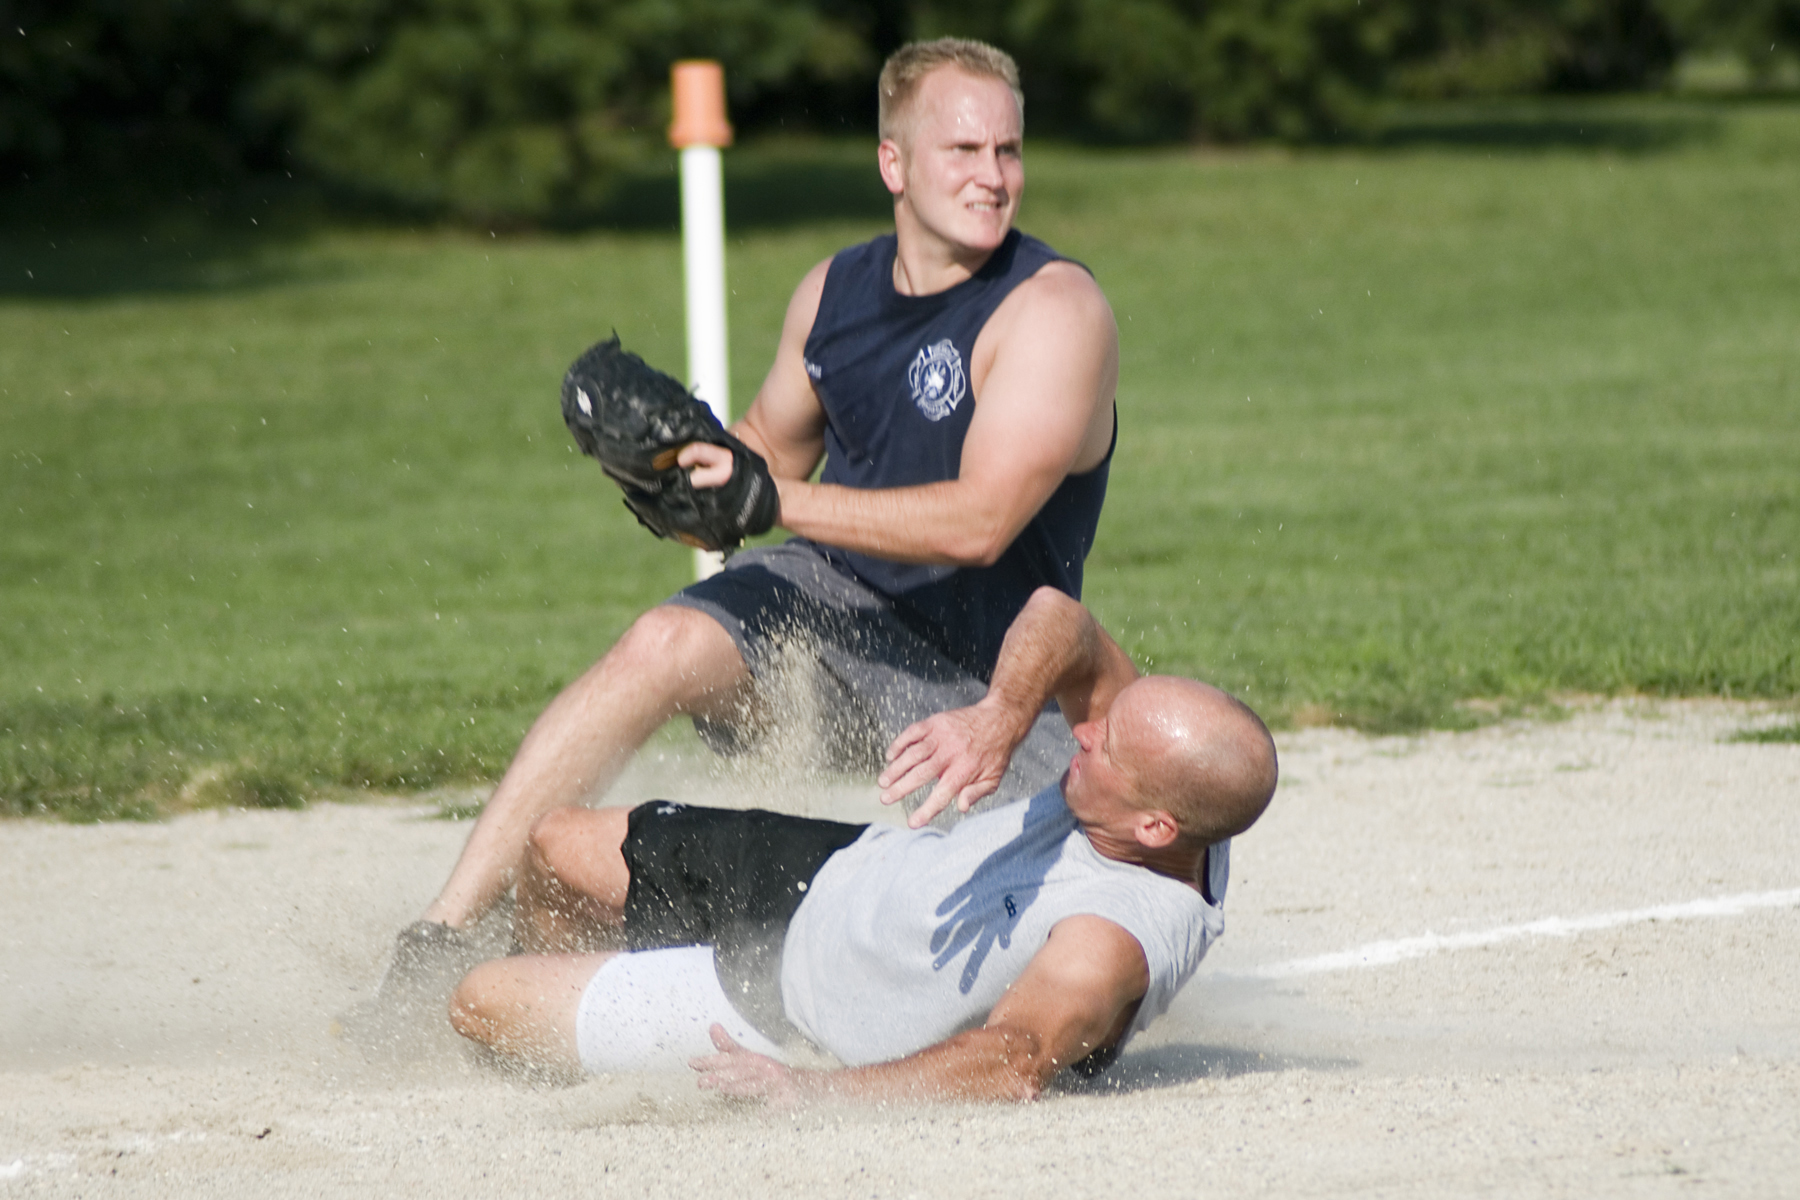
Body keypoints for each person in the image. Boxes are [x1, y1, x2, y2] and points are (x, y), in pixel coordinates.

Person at [370, 35, 1123, 1002]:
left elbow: (979, 522)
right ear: (894, 162)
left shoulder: (1053, 308)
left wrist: (768, 499)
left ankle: (804, 973)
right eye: (963, 152)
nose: (993, 176)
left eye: (1008, 152)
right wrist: (680, 472)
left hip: (993, 681)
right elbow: (761, 453)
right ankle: (444, 933)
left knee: (1018, 956)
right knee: (660, 641)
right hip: (834, 618)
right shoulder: (833, 293)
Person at [448, 588, 1278, 1101]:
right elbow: (1067, 623)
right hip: (840, 868)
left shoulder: (1112, 937)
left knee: (478, 999)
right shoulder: (1161, 784)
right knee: (554, 841)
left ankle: (552, 1050)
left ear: (1156, 829)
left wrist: (813, 1093)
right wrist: (1001, 714)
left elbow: (1009, 1062)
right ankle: (573, 1006)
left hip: (784, 1010)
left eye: (1104, 748)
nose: (1084, 731)